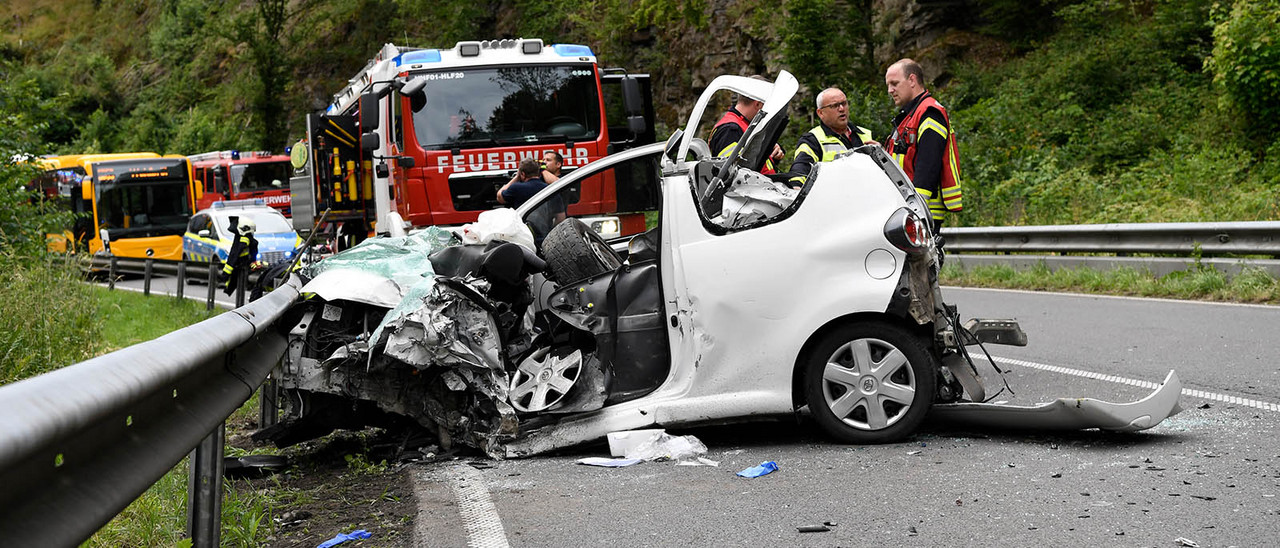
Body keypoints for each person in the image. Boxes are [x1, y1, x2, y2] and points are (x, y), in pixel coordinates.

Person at [884, 58, 962, 232]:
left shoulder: (929, 113)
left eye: (894, 83)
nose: (890, 90)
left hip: (921, 211)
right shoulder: (910, 115)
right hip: (909, 209)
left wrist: (917, 209)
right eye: (888, 85)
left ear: (912, 80)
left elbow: (928, 164)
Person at [787, 87, 876, 187]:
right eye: (834, 106)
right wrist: (796, 187)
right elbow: (799, 171)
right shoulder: (812, 140)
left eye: (844, 103)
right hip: (833, 195)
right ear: (820, 113)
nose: (841, 109)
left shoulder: (865, 134)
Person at [708, 75, 785, 173]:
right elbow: (733, 175)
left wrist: (772, 151)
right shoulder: (730, 130)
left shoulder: (748, 125)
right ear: (758, 104)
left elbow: (754, 163)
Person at [220, 216, 258, 297]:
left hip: (242, 268)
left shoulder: (242, 241)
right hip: (241, 268)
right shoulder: (245, 240)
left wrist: (225, 275)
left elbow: (233, 257)